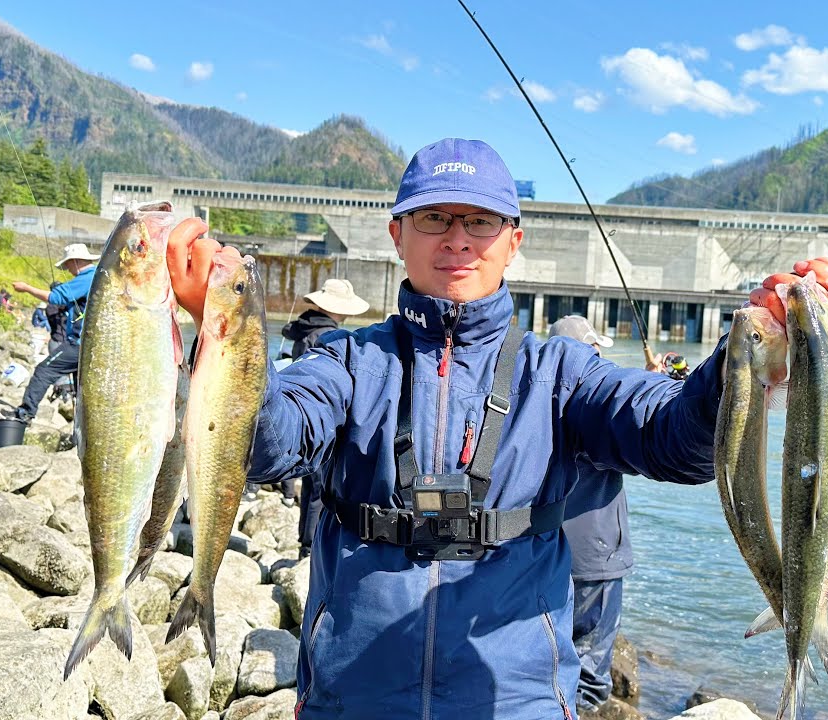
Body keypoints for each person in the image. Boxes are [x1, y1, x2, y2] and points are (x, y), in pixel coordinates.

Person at [165, 138, 728, 719]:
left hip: (517, 704)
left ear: (514, 241)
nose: (457, 237)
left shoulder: (559, 372)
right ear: (397, 234)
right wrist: (226, 332)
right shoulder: (345, 361)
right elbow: (269, 446)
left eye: (480, 221)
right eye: (435, 217)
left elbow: (676, 441)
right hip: (351, 700)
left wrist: (743, 360)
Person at [548, 314, 635, 715]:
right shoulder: (600, 409)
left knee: (554, 656)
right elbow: (646, 448)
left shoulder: (539, 400)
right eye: (596, 349)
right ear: (588, 350)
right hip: (596, 556)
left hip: (548, 553)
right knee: (590, 671)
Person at [273, 278, 371, 552]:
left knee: (309, 481)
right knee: (319, 487)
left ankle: (304, 537)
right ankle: (310, 544)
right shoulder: (328, 336)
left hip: (299, 410)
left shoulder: (304, 328)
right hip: (322, 418)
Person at [8, 243, 99, 422]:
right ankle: (82, 428)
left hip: (79, 345)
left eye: (67, 265)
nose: (67, 269)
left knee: (44, 371)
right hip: (89, 345)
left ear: (75, 261)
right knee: (81, 390)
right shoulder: (96, 277)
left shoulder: (87, 277)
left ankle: (25, 413)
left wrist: (26, 288)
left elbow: (56, 298)